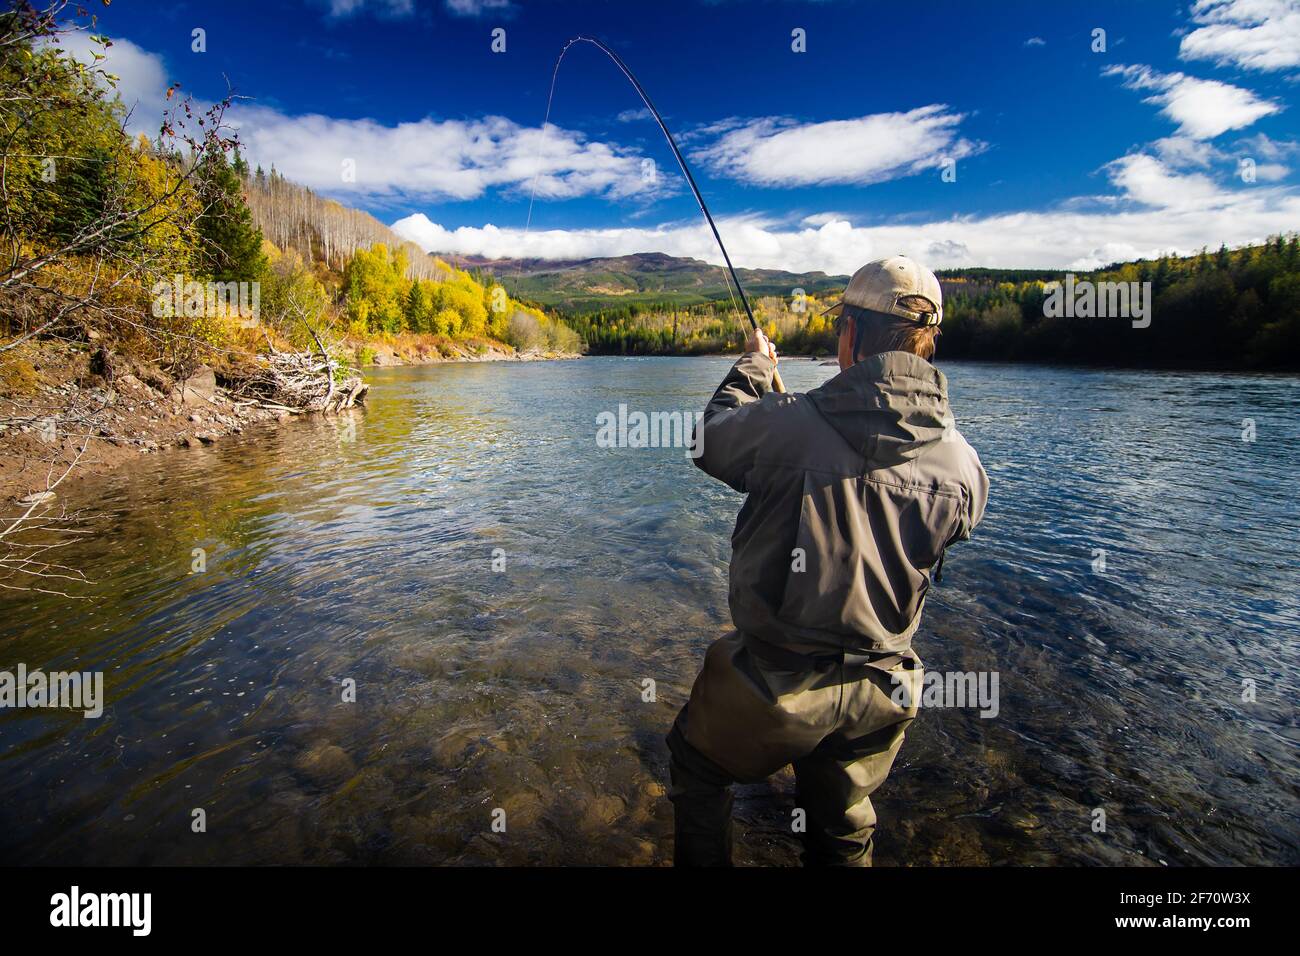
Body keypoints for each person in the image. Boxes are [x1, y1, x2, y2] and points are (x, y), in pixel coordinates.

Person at [666, 255, 989, 866]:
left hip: (773, 683)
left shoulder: (788, 426)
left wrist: (756, 365)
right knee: (842, 828)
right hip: (883, 687)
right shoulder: (965, 466)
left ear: (852, 335)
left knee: (697, 766)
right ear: (929, 344)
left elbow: (709, 438)